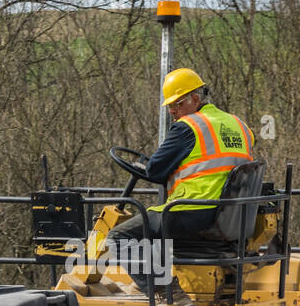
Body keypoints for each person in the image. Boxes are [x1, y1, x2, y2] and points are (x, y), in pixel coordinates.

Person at [108, 68, 256, 291]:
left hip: (193, 212)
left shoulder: (188, 127)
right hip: (235, 217)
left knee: (118, 235)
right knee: (152, 227)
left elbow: (155, 170)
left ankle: (162, 291)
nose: (172, 111)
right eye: (169, 105)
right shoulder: (240, 126)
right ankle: (160, 279)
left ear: (195, 99)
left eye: (177, 104)